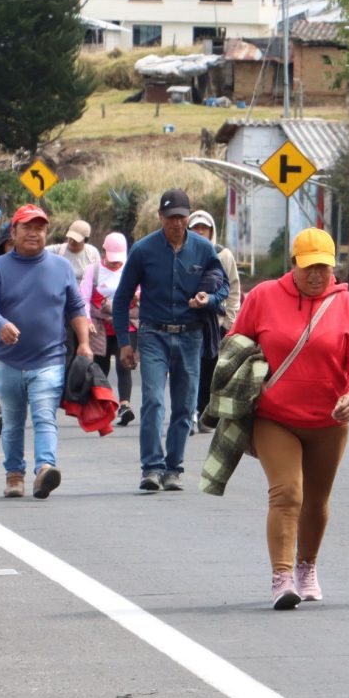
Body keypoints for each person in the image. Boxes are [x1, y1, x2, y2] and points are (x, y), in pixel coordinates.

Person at [219, 228, 349, 608]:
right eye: (309, 267)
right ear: (293, 265)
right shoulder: (263, 298)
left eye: (324, 267)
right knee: (288, 493)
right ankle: (282, 577)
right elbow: (236, 348)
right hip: (276, 417)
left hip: (329, 422)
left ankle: (307, 566)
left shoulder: (348, 305)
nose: (318, 275)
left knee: (317, 501)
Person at [113, 188, 227, 493]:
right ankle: (151, 467)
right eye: (171, 217)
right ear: (161, 217)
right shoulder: (143, 250)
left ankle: (173, 468)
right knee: (152, 401)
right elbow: (122, 298)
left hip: (191, 337)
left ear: (188, 217)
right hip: (153, 335)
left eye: (181, 217)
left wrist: (209, 298)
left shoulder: (203, 249)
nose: (177, 223)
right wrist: (125, 342)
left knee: (185, 406)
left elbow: (222, 287)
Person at [0, 204, 92, 499]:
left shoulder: (61, 267)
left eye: (39, 227)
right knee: (13, 422)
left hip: (49, 359)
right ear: (13, 232)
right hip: (8, 360)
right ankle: (14, 474)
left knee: (44, 416)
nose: (33, 233)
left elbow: (76, 307)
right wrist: (0, 324)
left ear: (46, 232)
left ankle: (45, 469)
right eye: (26, 227)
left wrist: (84, 343)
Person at [188, 209, 240, 430]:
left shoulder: (223, 255)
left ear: (211, 231)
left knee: (210, 370)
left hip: (215, 324)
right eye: (196, 228)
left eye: (204, 228)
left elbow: (234, 289)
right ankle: (189, 412)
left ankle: (204, 413)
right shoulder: (183, 252)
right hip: (188, 322)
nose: (200, 232)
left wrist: (229, 323)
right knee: (190, 368)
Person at [80, 232, 137, 426]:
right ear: (104, 251)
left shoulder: (131, 267)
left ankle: (124, 405)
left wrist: (137, 297)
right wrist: (86, 320)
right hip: (100, 326)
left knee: (124, 364)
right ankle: (105, 405)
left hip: (126, 323)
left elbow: (142, 291)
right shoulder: (93, 270)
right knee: (101, 366)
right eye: (112, 260)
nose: (115, 264)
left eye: (118, 260)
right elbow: (84, 299)